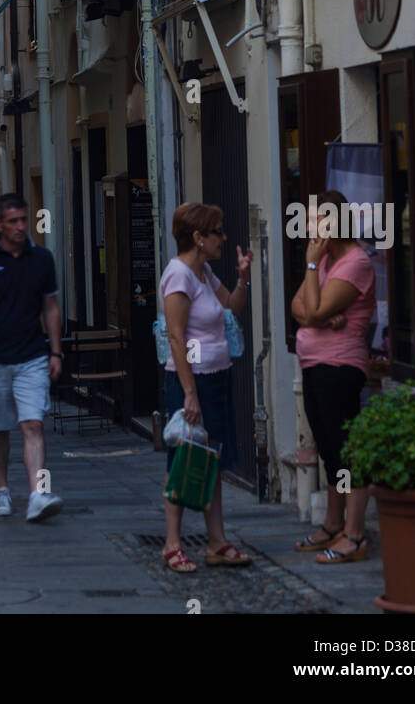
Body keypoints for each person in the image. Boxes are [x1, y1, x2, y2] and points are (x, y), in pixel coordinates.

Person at [0, 193, 64, 523]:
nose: (21, 227)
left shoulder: (42, 259)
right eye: (14, 221)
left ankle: (36, 493)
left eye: (24, 219)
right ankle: (2, 489)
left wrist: (56, 350)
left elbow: (50, 307)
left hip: (32, 355)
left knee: (33, 424)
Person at [160, 202, 254, 572]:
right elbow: (176, 337)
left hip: (217, 377)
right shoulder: (179, 275)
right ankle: (172, 544)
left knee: (210, 461)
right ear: (198, 238)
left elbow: (231, 307)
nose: (223, 237)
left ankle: (216, 541)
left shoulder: (204, 272)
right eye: (217, 231)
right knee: (182, 463)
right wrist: (189, 393)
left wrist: (243, 276)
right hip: (192, 382)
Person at [291, 190, 376, 564]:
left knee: (345, 449)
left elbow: (314, 310)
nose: (309, 227)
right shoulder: (326, 260)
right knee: (328, 449)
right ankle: (333, 522)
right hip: (314, 364)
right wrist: (319, 312)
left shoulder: (354, 262)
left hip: (339, 367)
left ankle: (354, 535)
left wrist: (312, 273)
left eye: (315, 220)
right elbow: (298, 307)